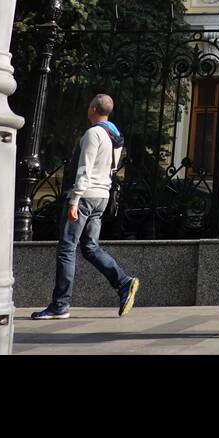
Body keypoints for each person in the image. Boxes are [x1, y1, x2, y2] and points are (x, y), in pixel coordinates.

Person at [31, 94, 140, 320]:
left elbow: (84, 168)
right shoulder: (114, 135)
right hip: (102, 196)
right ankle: (123, 283)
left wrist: (74, 200)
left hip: (85, 196)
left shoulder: (94, 134)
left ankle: (60, 305)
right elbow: (111, 168)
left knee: (67, 249)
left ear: (92, 109)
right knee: (90, 247)